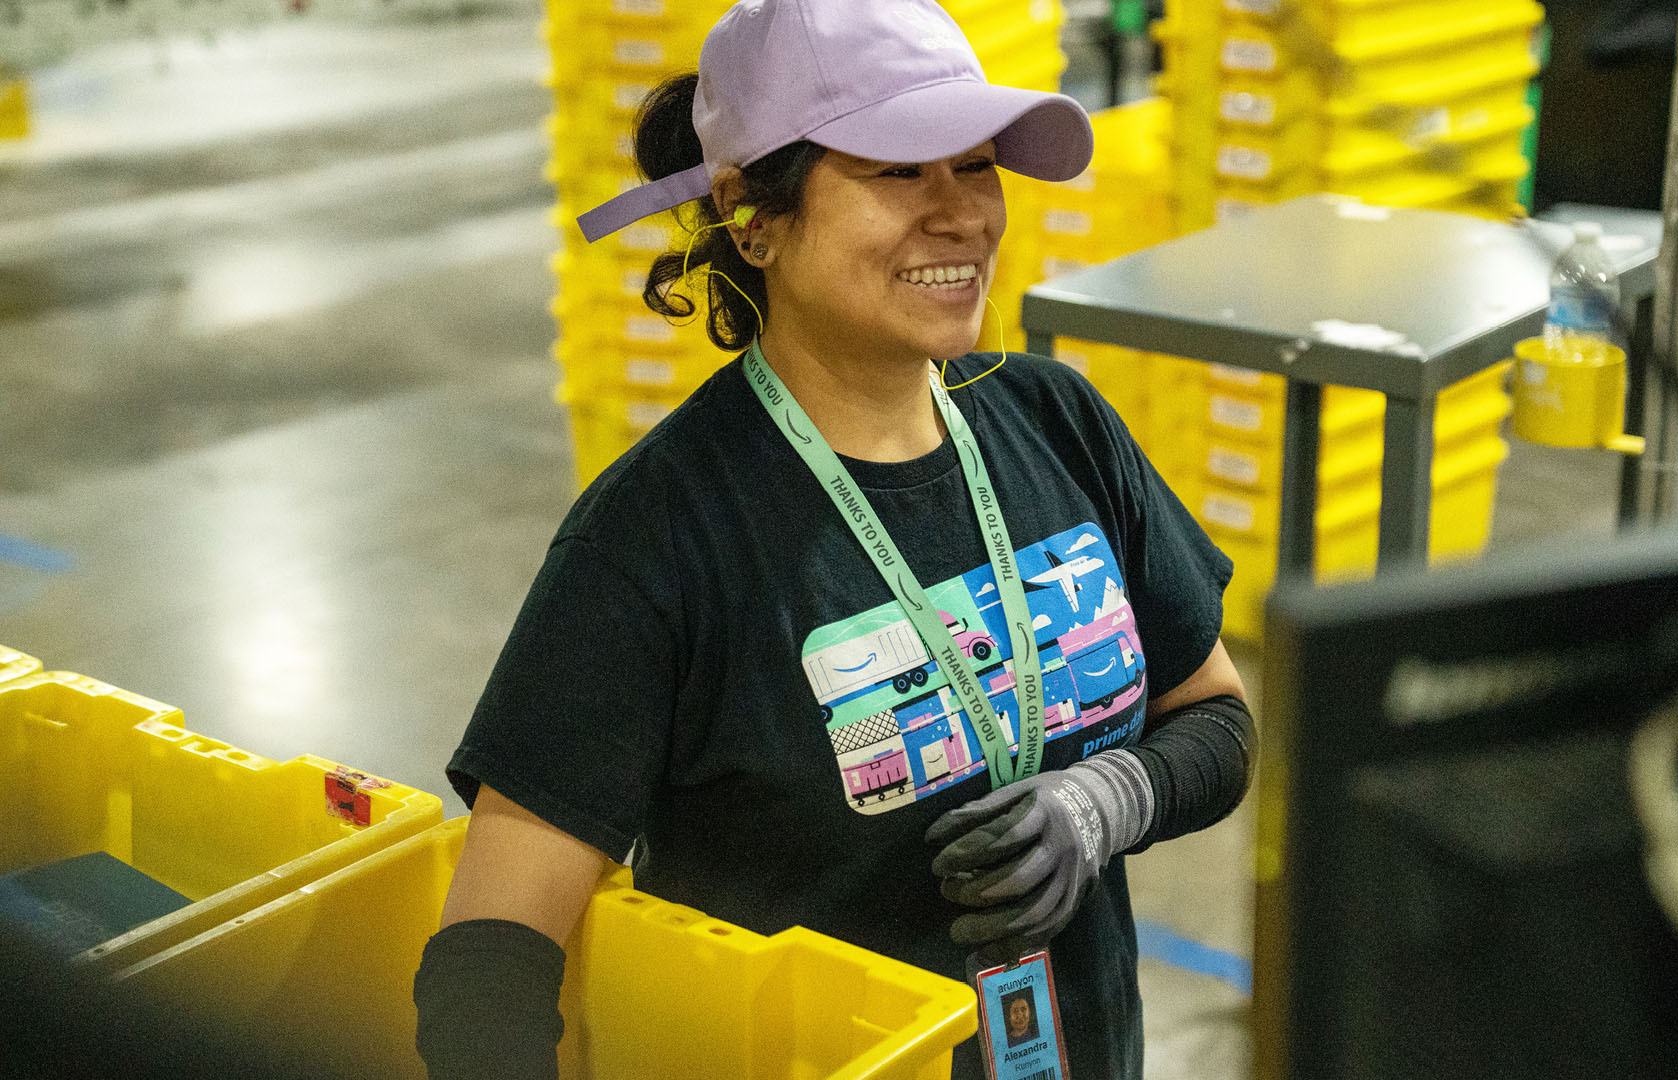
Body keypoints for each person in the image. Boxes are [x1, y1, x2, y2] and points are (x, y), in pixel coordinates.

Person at [411, 1, 1257, 1077]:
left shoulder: (1059, 423)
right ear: (748, 215)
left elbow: (1217, 723)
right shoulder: (659, 537)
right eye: (900, 172)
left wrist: (1108, 801)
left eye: (978, 165)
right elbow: (490, 956)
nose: (963, 217)